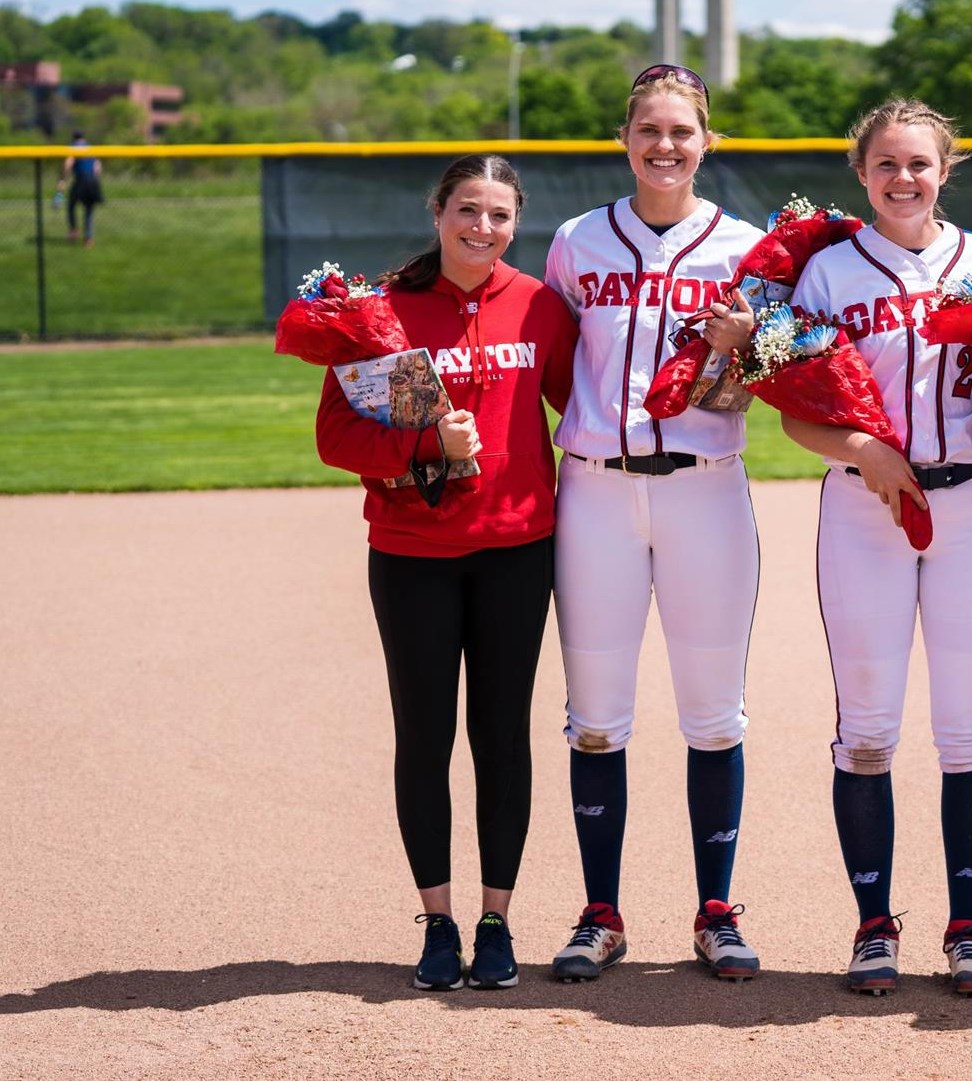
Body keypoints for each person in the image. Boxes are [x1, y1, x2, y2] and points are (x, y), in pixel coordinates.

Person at [314, 154, 579, 991]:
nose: (484, 229)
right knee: (425, 739)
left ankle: (497, 918)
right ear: (437, 212)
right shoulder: (382, 314)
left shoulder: (541, 306)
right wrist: (430, 443)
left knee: (501, 738)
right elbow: (337, 437)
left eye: (500, 216)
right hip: (412, 552)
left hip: (516, 546)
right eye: (469, 210)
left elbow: (586, 408)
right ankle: (437, 919)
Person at [541, 64, 765, 985]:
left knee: (713, 715)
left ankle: (716, 909)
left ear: (707, 141)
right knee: (596, 718)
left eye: (683, 132)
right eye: (650, 131)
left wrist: (748, 345)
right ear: (625, 140)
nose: (665, 146)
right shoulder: (576, 241)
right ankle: (602, 910)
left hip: (705, 488)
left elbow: (781, 378)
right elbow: (553, 362)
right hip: (595, 490)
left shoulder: (748, 248)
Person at [786, 99, 972, 997]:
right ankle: (873, 925)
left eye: (919, 163)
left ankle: (967, 926)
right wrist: (862, 450)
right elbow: (801, 409)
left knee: (967, 727)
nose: (903, 178)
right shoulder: (830, 273)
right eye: (886, 164)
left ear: (945, 169)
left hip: (970, 505)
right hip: (862, 507)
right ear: (861, 173)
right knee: (870, 728)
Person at [60, 131, 104, 247]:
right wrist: (95, 182)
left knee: (71, 205)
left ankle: (73, 231)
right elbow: (98, 167)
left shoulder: (73, 147)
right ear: (84, 138)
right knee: (89, 209)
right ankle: (88, 239)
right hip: (92, 180)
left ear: (73, 138)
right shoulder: (91, 148)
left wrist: (63, 180)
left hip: (81, 180)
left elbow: (68, 163)